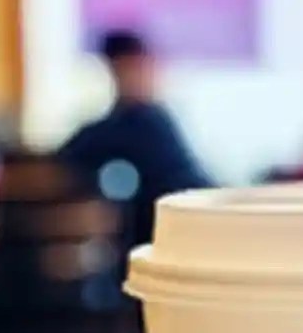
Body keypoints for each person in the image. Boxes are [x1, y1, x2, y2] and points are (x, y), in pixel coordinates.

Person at [58, 30, 211, 246]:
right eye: (135, 68)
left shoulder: (150, 118)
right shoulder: (134, 120)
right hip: (173, 225)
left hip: (189, 221)